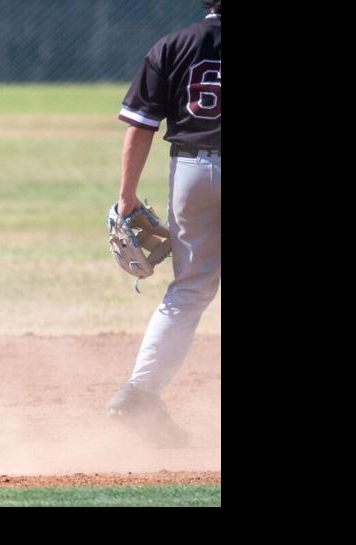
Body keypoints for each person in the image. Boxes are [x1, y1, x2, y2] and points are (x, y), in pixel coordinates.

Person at [107, 1, 222, 448]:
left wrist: (127, 197)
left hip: (191, 171)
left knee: (189, 290)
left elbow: (140, 126)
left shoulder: (174, 44)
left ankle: (140, 392)